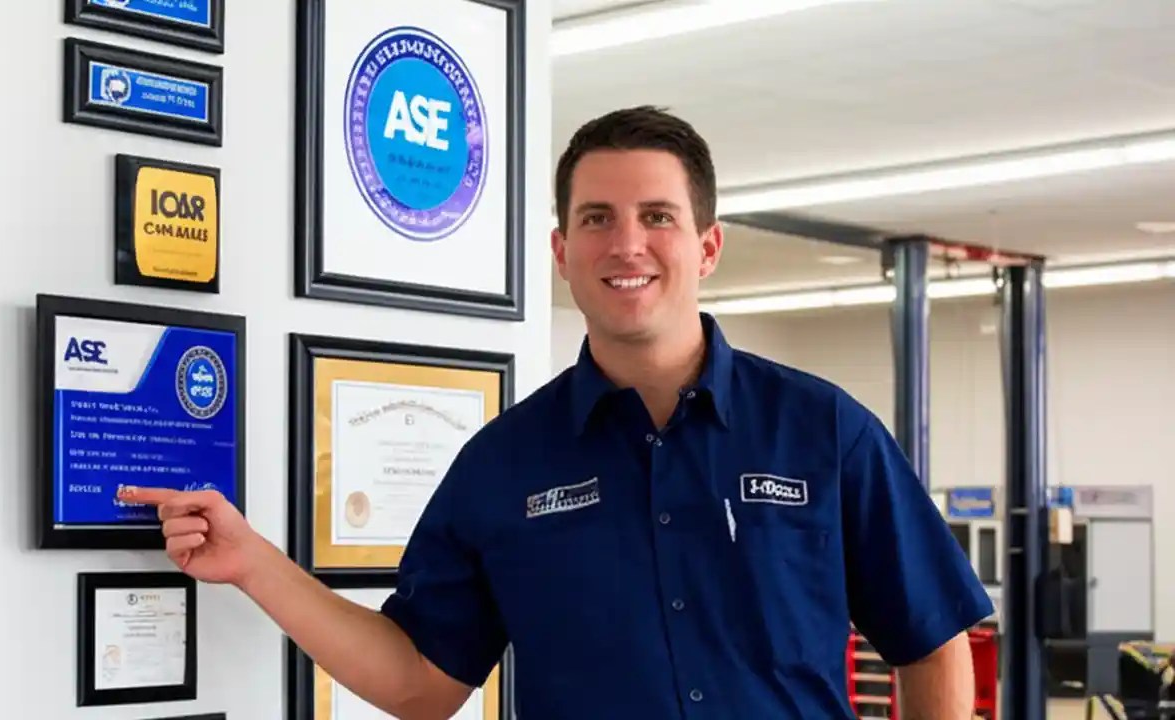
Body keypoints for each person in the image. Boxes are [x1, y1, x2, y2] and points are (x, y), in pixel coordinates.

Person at [119, 105, 994, 719]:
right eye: (598, 218)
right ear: (562, 251)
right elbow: (424, 683)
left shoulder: (825, 432)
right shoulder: (505, 464)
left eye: (658, 216)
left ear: (707, 246)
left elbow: (930, 638)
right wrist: (256, 565)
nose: (628, 244)